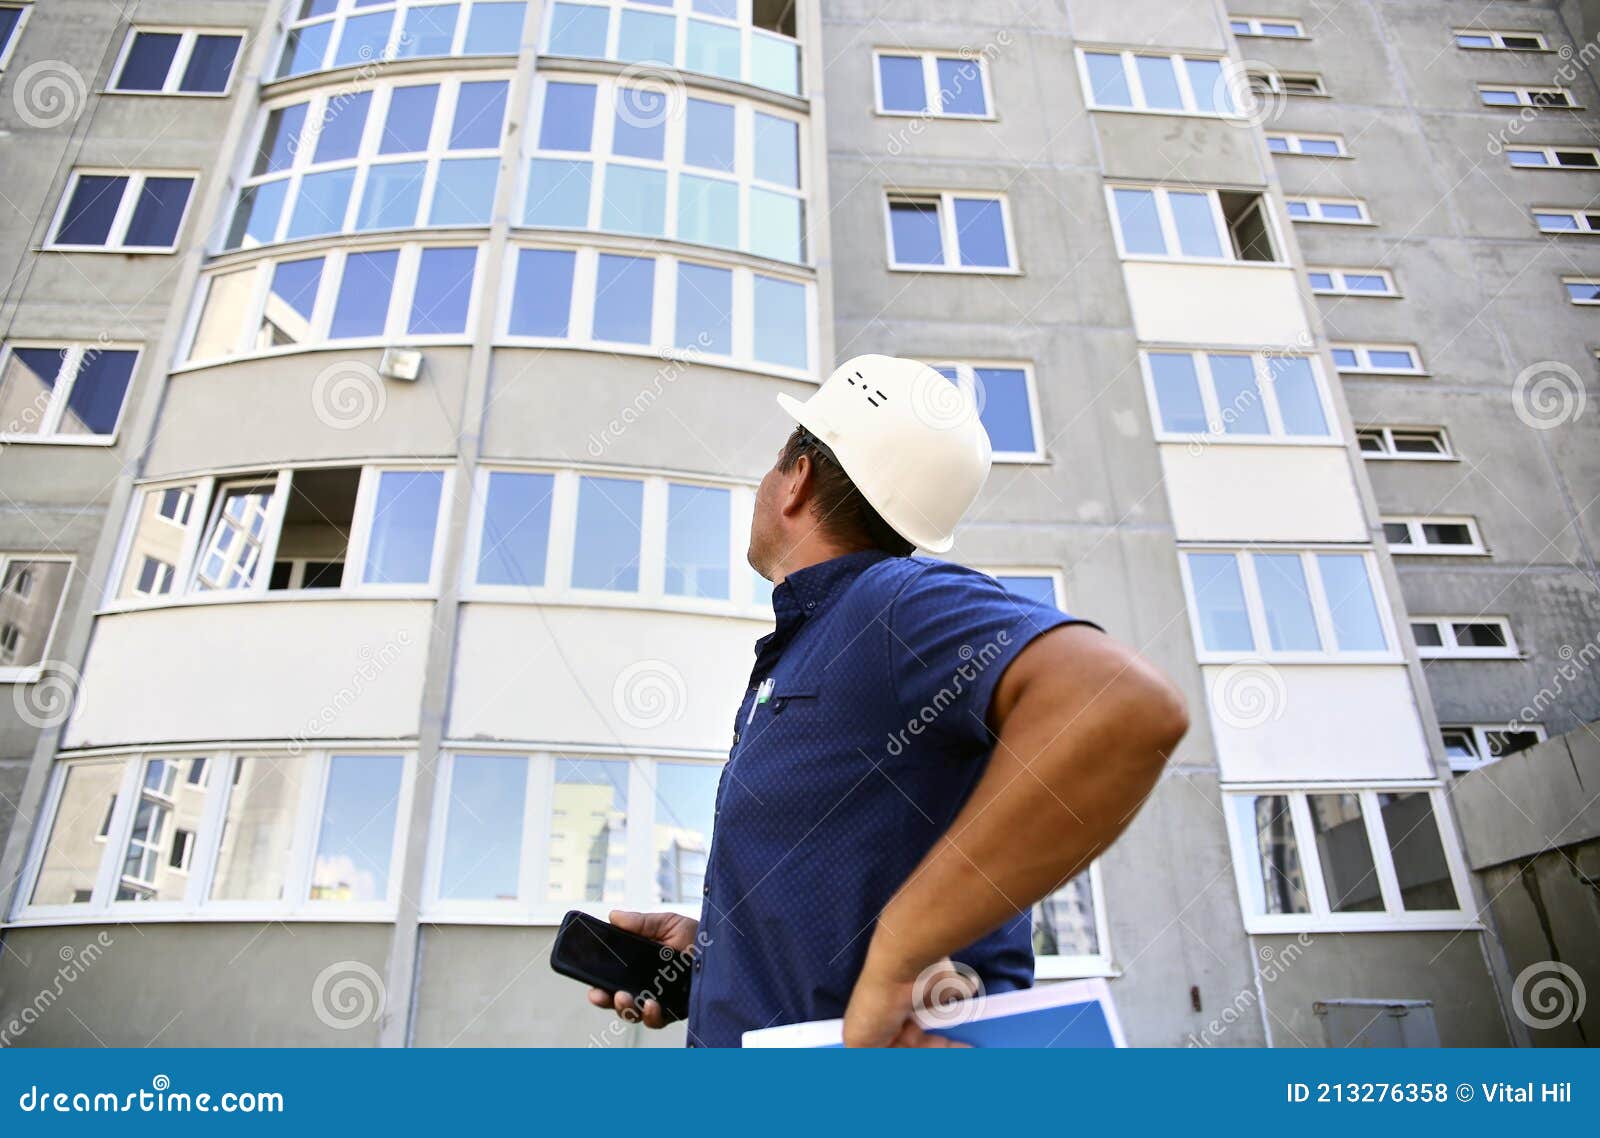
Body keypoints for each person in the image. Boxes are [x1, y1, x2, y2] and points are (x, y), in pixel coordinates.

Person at [587, 354, 1188, 1047]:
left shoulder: (890, 604)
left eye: (774, 463)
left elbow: (1124, 706)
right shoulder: (815, 646)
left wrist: (902, 952)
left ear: (798, 478)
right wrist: (723, 959)